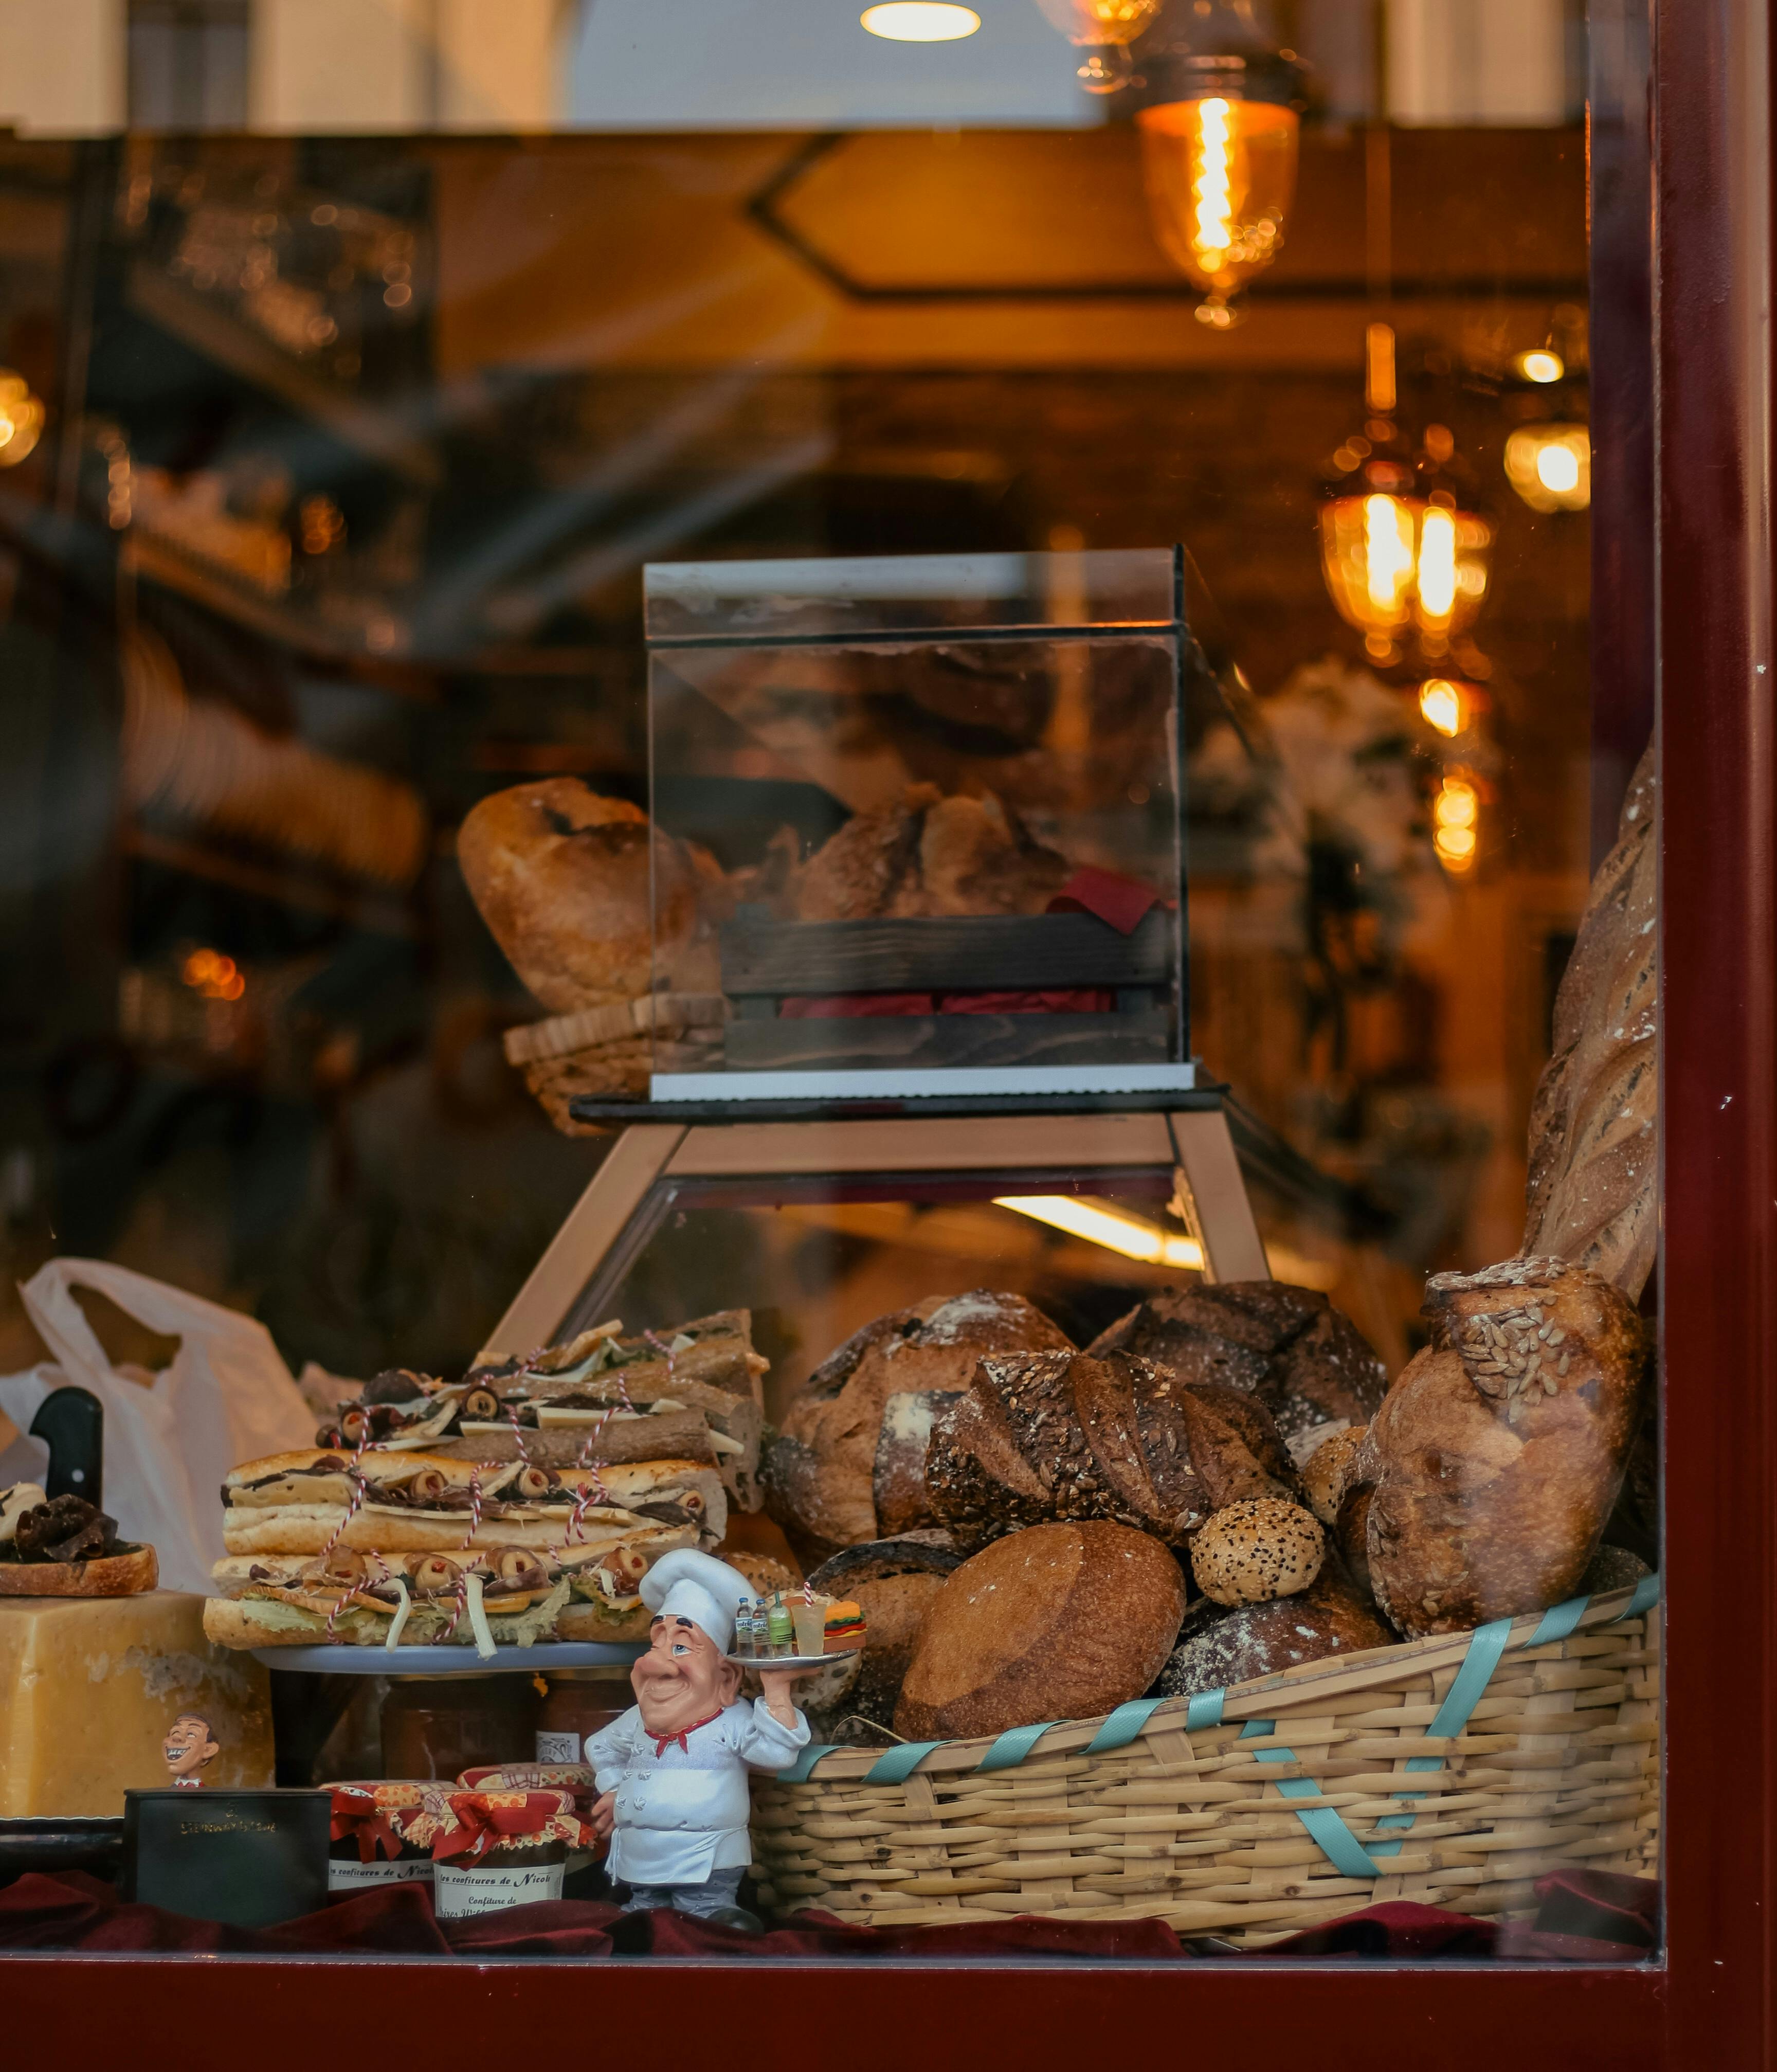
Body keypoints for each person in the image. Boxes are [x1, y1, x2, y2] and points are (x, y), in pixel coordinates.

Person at [586, 1549, 811, 1926]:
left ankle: (710, 1918)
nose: (655, 1664)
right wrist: (613, 1788)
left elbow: (778, 1752)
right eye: (656, 1645)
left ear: (726, 1679)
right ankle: (642, 1921)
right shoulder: (638, 1720)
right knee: (642, 1916)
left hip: (706, 1858)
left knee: (706, 1917)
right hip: (640, 1861)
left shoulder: (731, 1722)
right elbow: (600, 1746)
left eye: (681, 1646)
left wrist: (775, 1691)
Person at [162, 1712, 221, 1789]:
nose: (176, 1737)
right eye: (175, 1732)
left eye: (191, 1734)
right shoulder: (160, 1798)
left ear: (208, 1750)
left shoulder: (212, 1799)